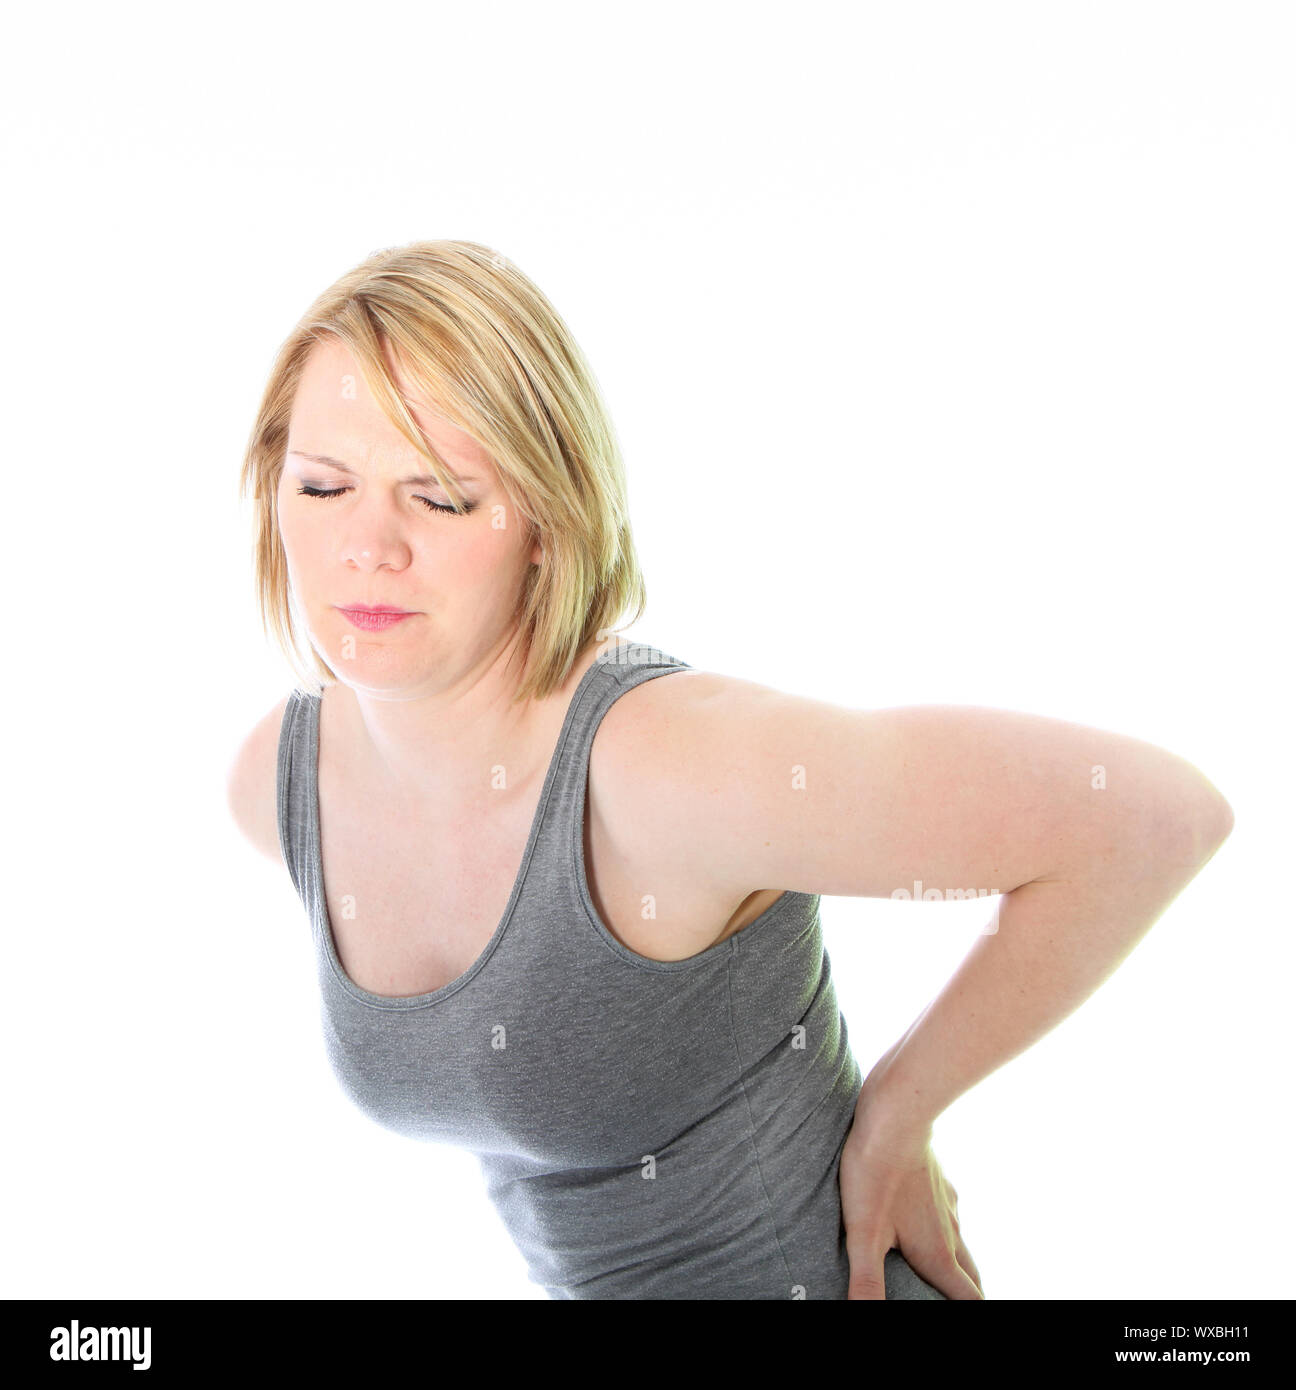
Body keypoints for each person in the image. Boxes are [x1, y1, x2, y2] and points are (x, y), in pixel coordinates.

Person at [226, 240, 1233, 1300]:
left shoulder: (664, 767)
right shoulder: (279, 788)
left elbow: (1152, 820)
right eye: (325, 484)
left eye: (439, 498)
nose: (368, 547)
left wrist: (897, 1112)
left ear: (544, 522)